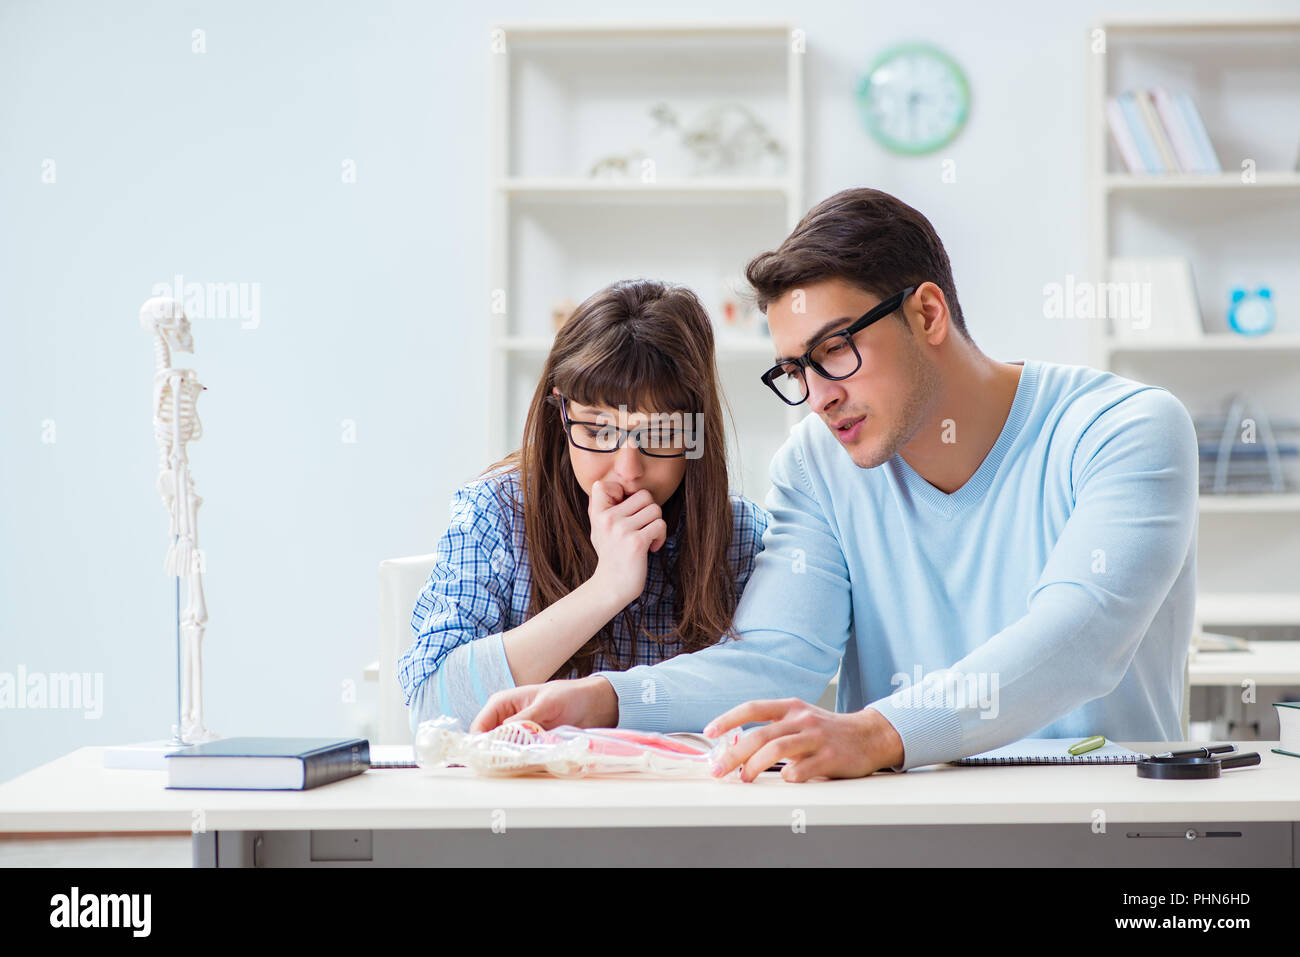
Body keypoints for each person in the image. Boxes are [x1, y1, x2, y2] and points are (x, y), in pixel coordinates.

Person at [470, 187, 1199, 783]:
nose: (818, 394)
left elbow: (1078, 639)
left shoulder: (1124, 430)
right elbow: (775, 656)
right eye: (795, 369)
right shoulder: (816, 464)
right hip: (903, 830)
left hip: (1104, 823)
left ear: (927, 312)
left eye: (834, 350)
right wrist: (601, 700)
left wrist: (878, 732)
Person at [397, 278, 770, 733]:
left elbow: (768, 697)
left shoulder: (743, 537)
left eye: (660, 433)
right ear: (561, 415)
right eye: (597, 431)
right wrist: (607, 587)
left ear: (696, 433)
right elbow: (431, 713)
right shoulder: (496, 513)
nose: (628, 469)